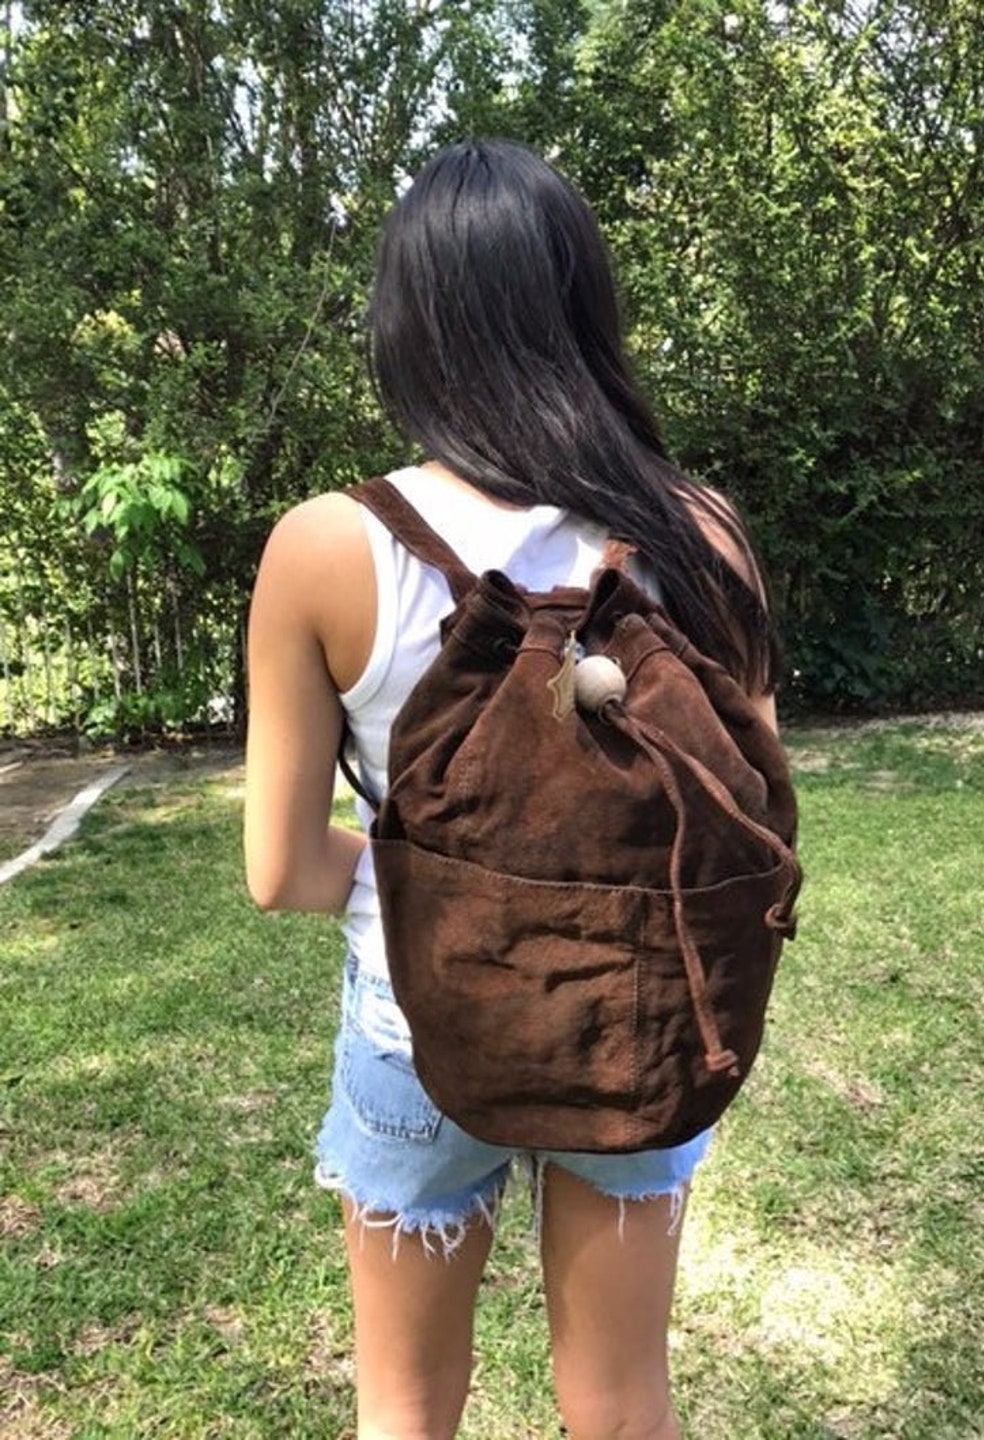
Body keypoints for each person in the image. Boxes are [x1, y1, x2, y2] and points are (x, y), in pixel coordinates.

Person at [244, 139, 781, 1440]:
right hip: (639, 1017)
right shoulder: (698, 536)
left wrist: (437, 870)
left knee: (409, 1409)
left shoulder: (328, 548)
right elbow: (746, 822)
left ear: (409, 325)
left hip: (415, 1024)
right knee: (616, 1401)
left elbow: (280, 873)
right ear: (585, 312)